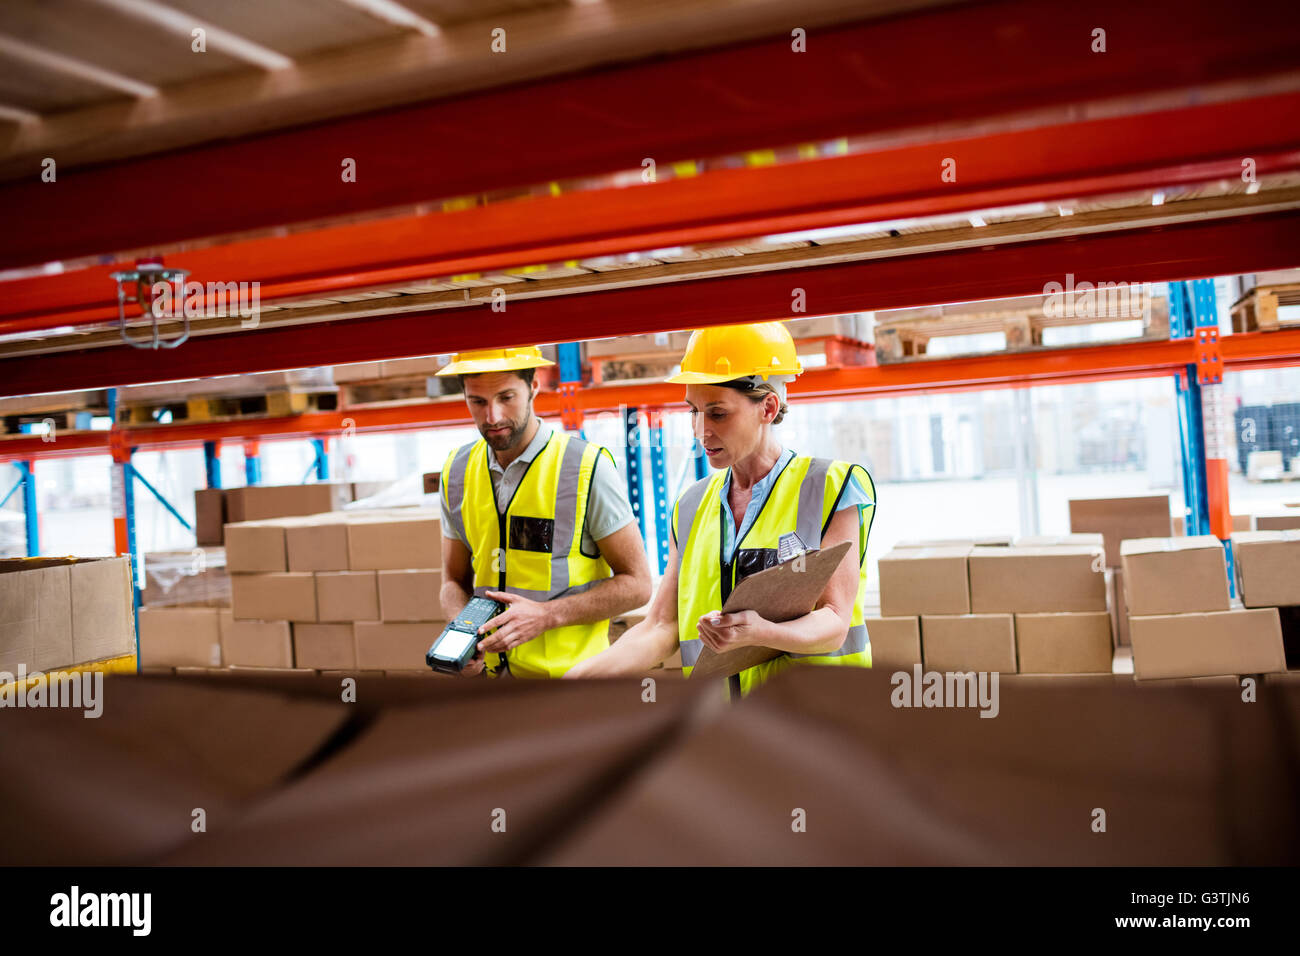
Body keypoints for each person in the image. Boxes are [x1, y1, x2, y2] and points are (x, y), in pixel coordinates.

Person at [566, 322, 875, 698]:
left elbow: (834, 622)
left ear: (768, 408)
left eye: (717, 413)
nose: (700, 430)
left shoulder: (830, 487)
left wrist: (760, 632)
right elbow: (661, 626)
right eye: (693, 411)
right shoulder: (692, 504)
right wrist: (579, 678)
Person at [436, 346, 652, 678]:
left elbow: (638, 585)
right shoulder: (456, 471)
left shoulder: (586, 467)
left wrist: (548, 615)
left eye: (507, 397)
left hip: (572, 684)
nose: (492, 417)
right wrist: (463, 632)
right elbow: (453, 580)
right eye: (477, 402)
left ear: (534, 386)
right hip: (492, 685)